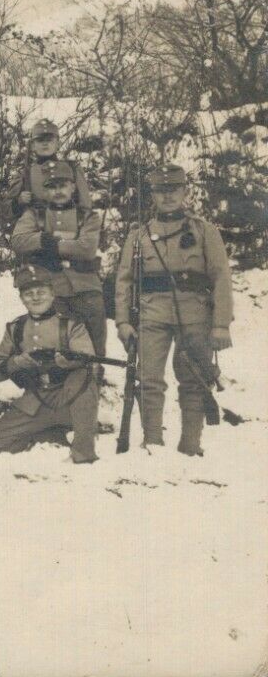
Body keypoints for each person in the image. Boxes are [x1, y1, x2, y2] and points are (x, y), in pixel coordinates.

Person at [114, 162, 232, 456]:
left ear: (185, 192)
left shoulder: (204, 231)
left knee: (193, 380)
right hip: (151, 315)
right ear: (152, 195)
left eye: (174, 190)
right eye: (160, 191)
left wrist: (220, 324)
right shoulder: (138, 236)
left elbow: (221, 277)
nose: (168, 197)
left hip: (195, 315)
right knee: (149, 379)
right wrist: (122, 322)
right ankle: (152, 442)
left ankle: (190, 445)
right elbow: (124, 281)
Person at [0, 264, 99, 464]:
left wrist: (66, 364)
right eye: (29, 293)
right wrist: (17, 362)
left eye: (41, 292)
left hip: (68, 400)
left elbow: (88, 358)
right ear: (21, 298)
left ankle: (83, 452)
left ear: (53, 294)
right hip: (36, 401)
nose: (35, 297)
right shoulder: (15, 328)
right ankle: (48, 434)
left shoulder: (70, 325)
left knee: (85, 375)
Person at [11, 170, 107, 358]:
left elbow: (86, 249)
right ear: (45, 192)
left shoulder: (87, 216)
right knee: (55, 340)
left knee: (94, 339)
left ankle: (94, 378)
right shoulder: (35, 214)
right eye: (52, 187)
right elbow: (18, 241)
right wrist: (43, 239)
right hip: (52, 287)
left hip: (86, 286)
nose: (58, 191)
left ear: (72, 187)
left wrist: (49, 243)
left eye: (62, 185)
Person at [3, 118, 93, 227]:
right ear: (32, 145)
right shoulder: (24, 174)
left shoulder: (72, 169)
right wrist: (18, 202)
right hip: (35, 231)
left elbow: (85, 205)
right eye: (40, 140)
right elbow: (5, 211)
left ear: (58, 143)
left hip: (68, 229)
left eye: (49, 140)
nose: (45, 143)